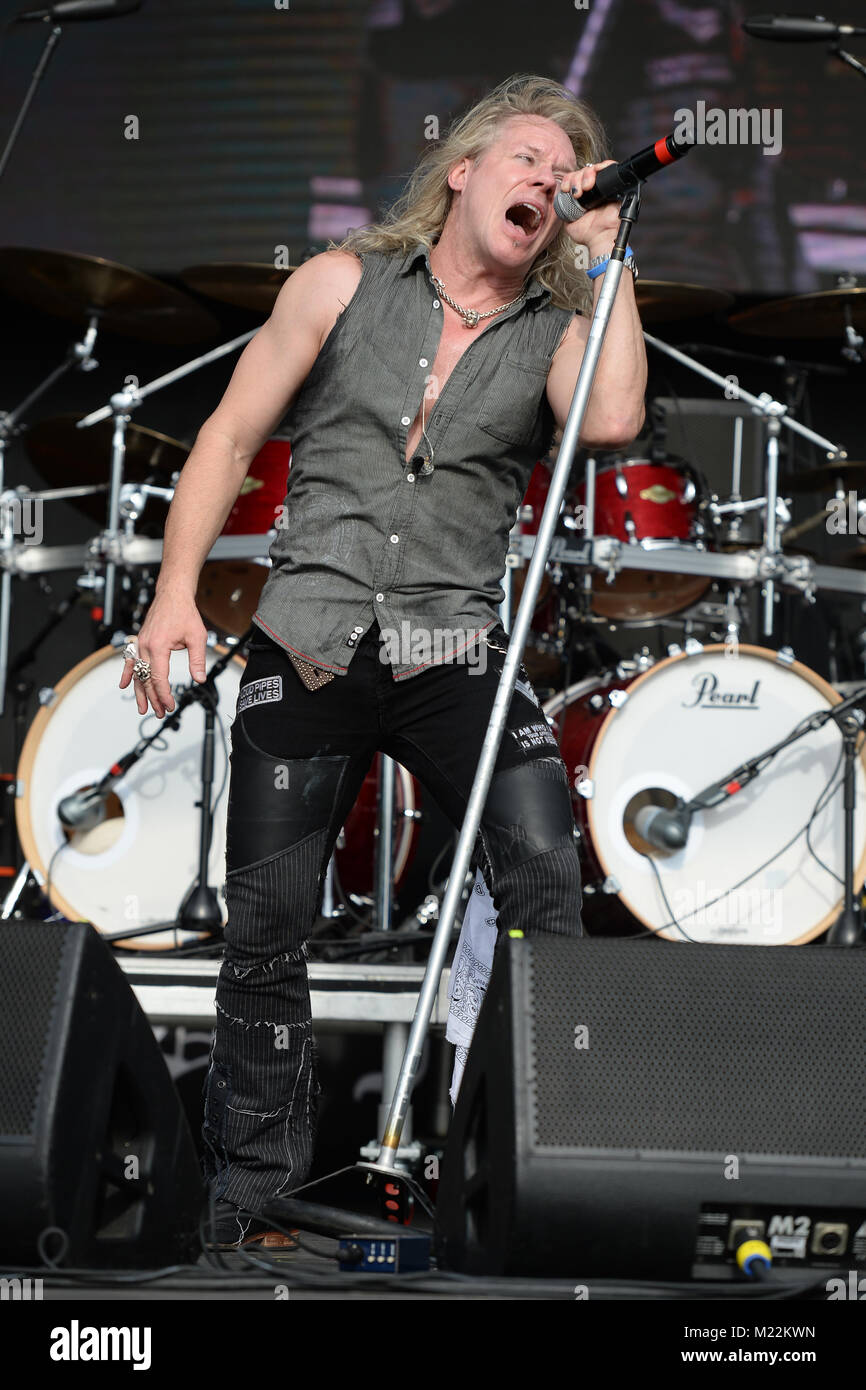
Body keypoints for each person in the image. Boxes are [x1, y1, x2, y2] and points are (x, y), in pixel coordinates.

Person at [120, 74, 647, 1247]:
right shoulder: (341, 281)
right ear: (459, 170)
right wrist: (171, 594)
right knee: (264, 929)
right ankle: (250, 1213)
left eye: (559, 174)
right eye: (521, 157)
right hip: (308, 636)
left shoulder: (562, 326)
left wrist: (611, 259)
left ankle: (513, 1194)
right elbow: (229, 432)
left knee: (544, 889)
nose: (542, 181)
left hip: (454, 645)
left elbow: (608, 419)